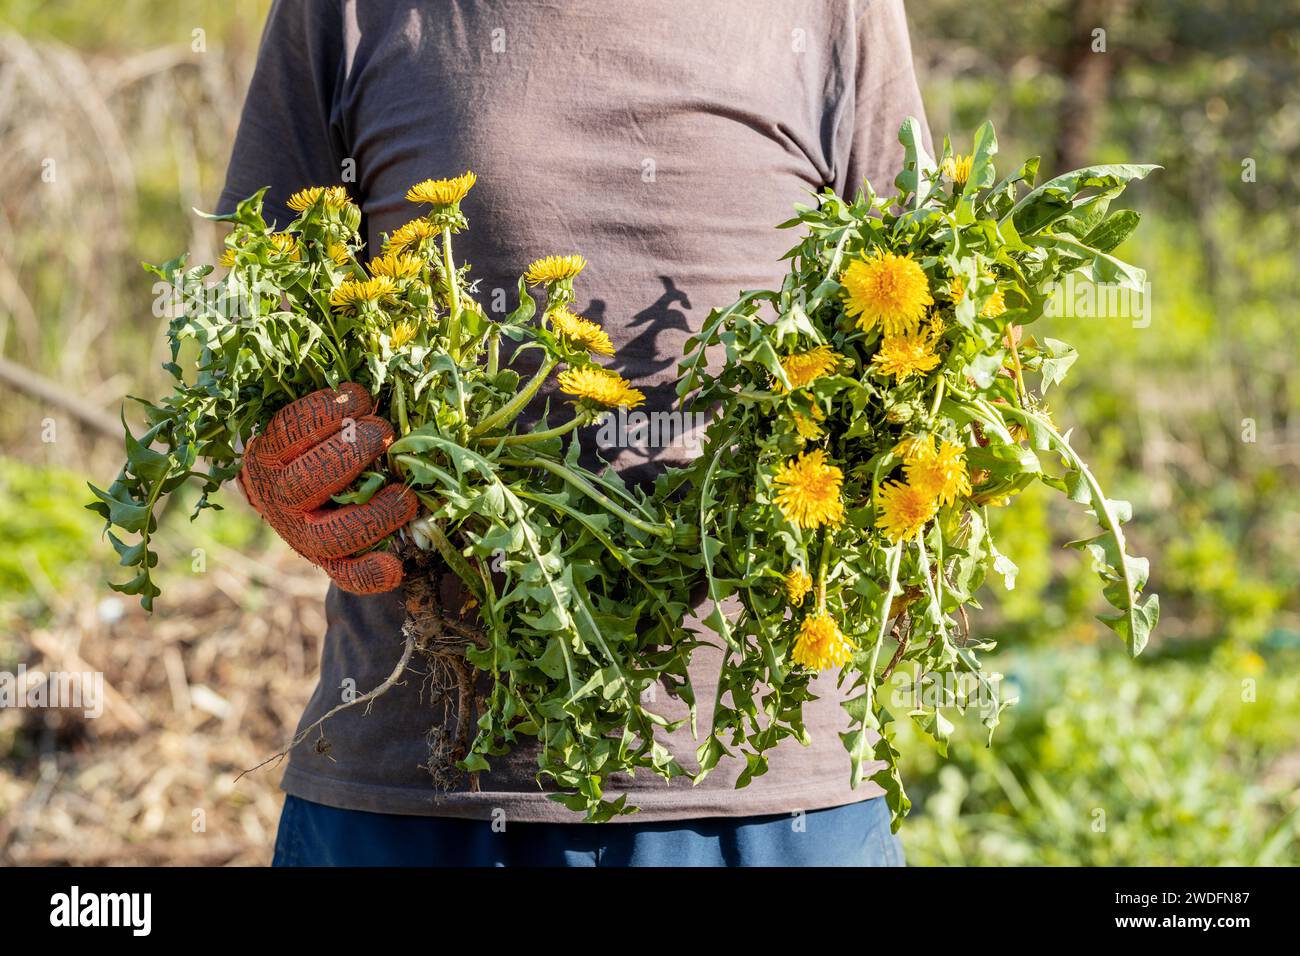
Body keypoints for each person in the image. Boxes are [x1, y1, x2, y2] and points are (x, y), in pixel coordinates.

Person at [219, 0, 929, 867]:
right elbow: (261, 320)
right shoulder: (346, 12)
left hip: (767, 792)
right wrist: (281, 465)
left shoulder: (834, 11)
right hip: (422, 788)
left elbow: (922, 327)